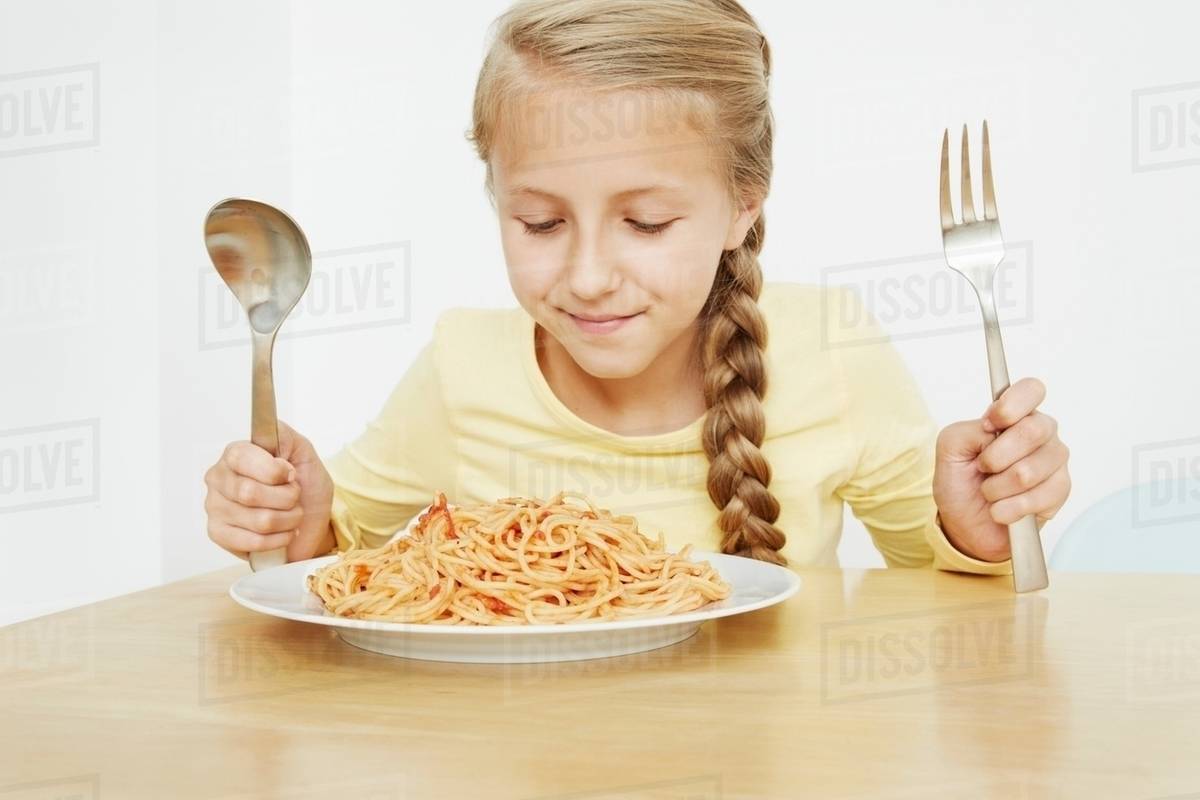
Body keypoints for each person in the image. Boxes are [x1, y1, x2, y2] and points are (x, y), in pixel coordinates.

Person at [203, 0, 1070, 575]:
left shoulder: (826, 346)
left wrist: (972, 525)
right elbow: (330, 558)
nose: (585, 276)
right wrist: (296, 521)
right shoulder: (463, 365)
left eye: (646, 224)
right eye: (540, 223)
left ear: (742, 206)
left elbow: (936, 583)